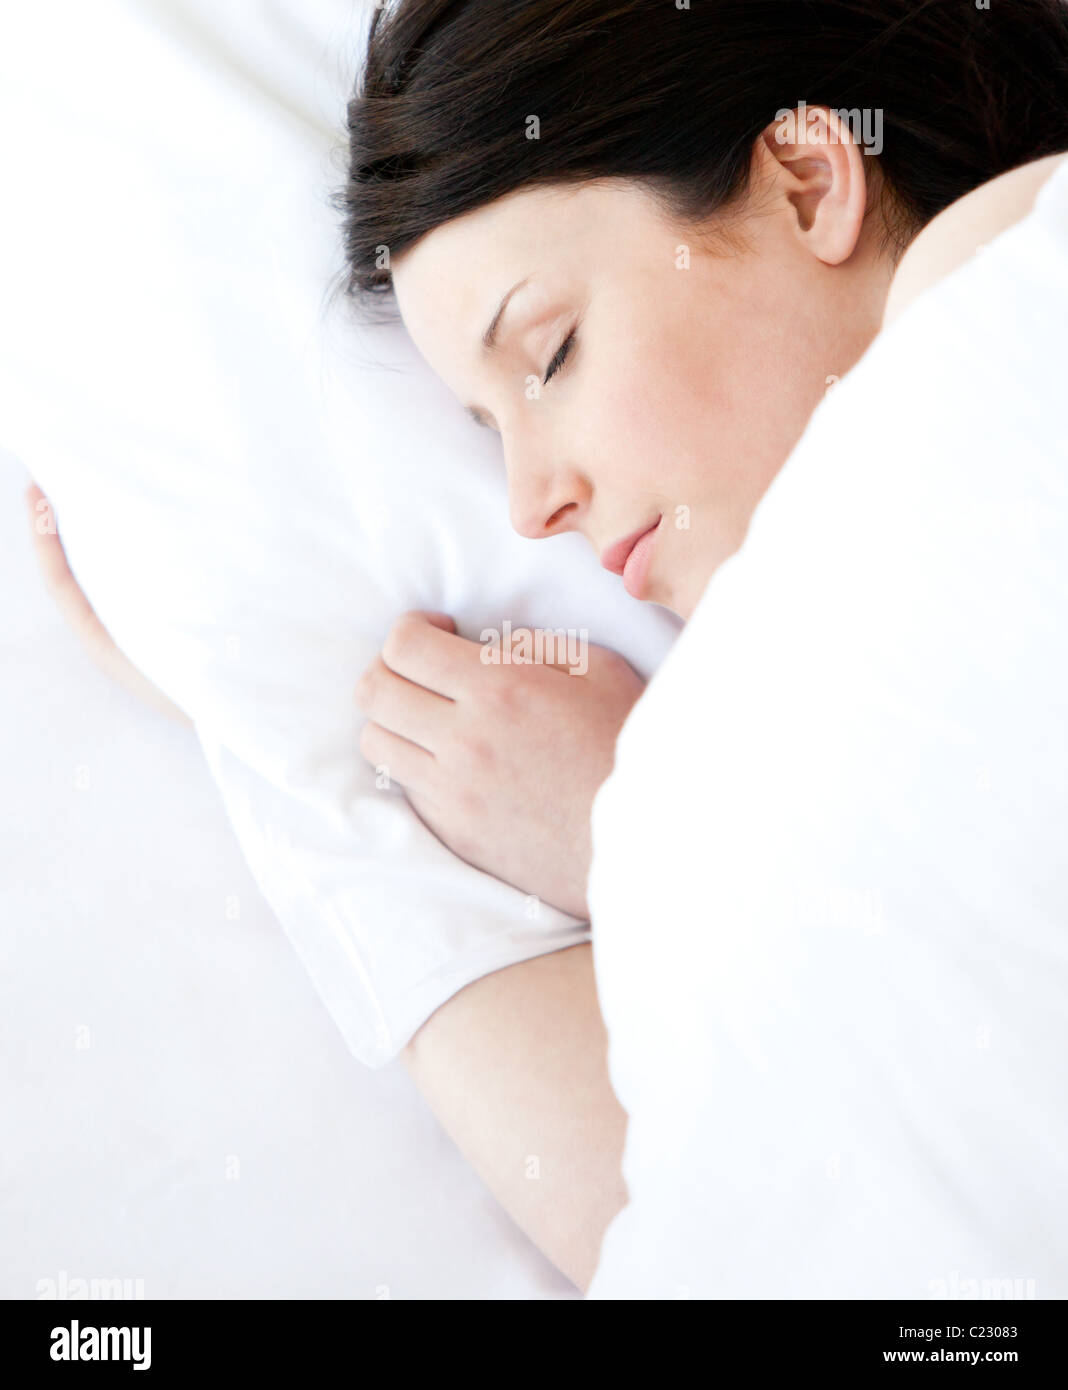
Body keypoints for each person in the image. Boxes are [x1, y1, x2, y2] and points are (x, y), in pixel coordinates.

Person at [31, 0, 1068, 1290]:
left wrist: (643, 824)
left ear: (808, 181)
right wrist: (292, 732)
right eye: (483, 433)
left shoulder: (1018, 279)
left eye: (553, 352)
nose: (531, 507)